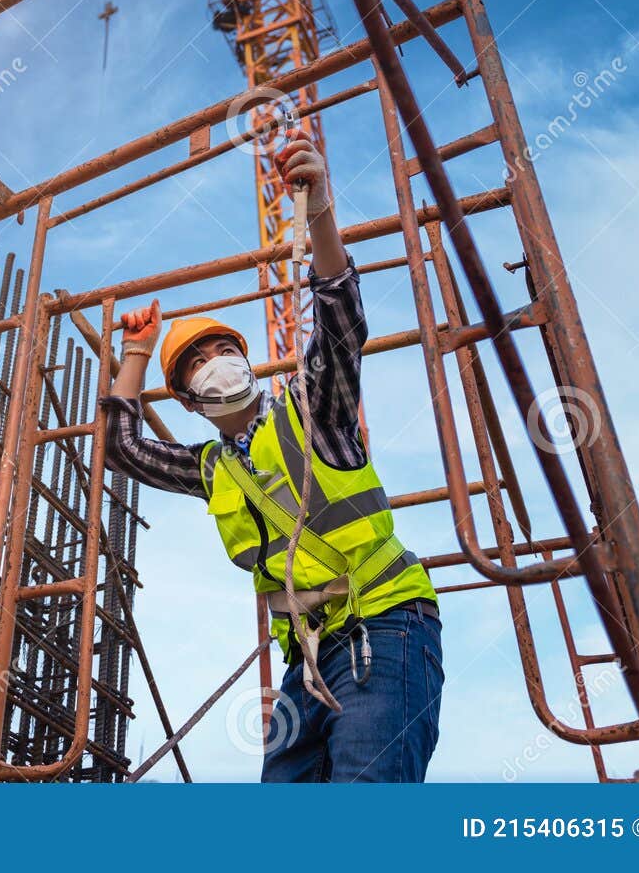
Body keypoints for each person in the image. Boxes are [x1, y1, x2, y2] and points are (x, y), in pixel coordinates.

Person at [101, 137, 443, 782]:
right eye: (197, 364)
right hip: (306, 660)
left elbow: (340, 324)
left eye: (224, 351)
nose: (215, 365)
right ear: (187, 400)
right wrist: (138, 354)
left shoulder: (312, 412)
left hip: (386, 625)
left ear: (250, 363)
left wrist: (320, 213)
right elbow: (124, 449)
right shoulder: (212, 467)